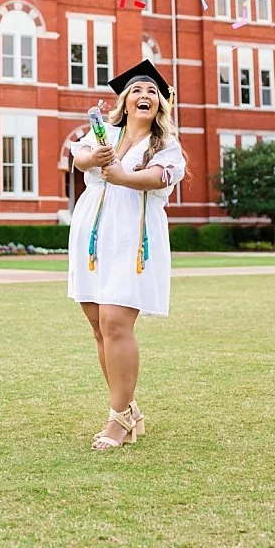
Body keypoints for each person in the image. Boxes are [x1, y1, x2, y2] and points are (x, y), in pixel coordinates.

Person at [67, 61, 186, 450]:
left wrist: (124, 177)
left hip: (134, 239)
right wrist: (94, 158)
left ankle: (118, 419)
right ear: (124, 100)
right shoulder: (105, 133)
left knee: (116, 321)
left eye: (152, 92)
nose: (144, 95)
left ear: (160, 105)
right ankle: (127, 408)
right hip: (94, 236)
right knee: (99, 325)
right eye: (136, 90)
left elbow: (162, 177)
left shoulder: (164, 145)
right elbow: (79, 158)